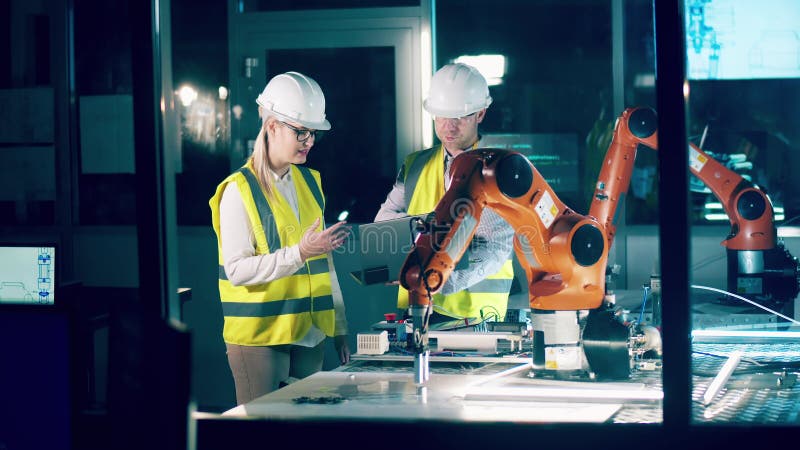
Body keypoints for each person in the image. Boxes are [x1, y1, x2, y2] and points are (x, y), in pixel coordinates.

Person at [210, 71, 351, 405]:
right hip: (260, 338)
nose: (309, 141)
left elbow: (324, 264)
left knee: (304, 429)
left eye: (313, 133)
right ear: (272, 126)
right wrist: (299, 253)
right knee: (265, 430)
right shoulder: (238, 190)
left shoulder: (310, 182)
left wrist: (340, 328)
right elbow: (237, 270)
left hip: (310, 333)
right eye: (301, 131)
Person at [375, 62, 515, 325]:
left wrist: (440, 279)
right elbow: (384, 221)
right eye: (441, 116)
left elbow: (496, 247)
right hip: (416, 308)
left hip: (476, 317)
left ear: (480, 114)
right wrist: (425, 229)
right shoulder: (415, 165)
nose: (449, 127)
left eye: (459, 117)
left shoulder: (500, 169)